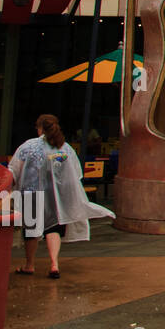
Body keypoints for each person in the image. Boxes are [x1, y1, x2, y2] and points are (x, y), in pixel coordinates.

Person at [9, 114, 114, 278]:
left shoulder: (28, 147)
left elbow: (14, 169)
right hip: (56, 196)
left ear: (40, 128)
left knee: (31, 231)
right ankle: (54, 264)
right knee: (54, 228)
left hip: (31, 194)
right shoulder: (64, 148)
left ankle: (29, 265)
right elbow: (76, 174)